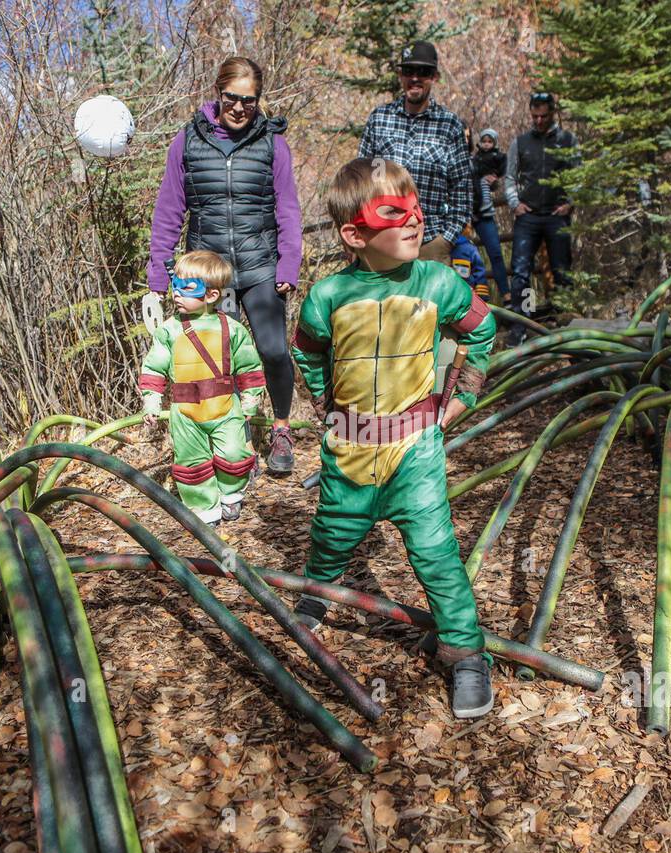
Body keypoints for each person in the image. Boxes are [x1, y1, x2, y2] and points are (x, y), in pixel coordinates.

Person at [290, 158, 497, 719]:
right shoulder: (327, 295)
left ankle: (466, 652)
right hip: (349, 447)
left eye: (416, 207)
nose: (413, 219)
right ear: (355, 233)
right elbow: (308, 351)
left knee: (436, 554)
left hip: (416, 452)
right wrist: (327, 410)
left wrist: (459, 402)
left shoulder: (439, 281)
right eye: (393, 210)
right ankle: (316, 596)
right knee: (333, 532)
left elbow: (482, 331)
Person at [147, 56, 303, 477]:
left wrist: (289, 263)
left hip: (260, 267)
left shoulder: (272, 143)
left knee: (271, 351)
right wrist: (159, 276)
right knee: (221, 362)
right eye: (232, 98)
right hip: (212, 274)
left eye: (249, 102)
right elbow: (169, 209)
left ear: (258, 101)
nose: (239, 108)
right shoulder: (188, 141)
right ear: (218, 93)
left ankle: (282, 429)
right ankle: (237, 440)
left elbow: (287, 207)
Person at [139, 251, 266, 528]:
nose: (177, 293)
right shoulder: (169, 331)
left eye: (187, 288)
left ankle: (231, 493)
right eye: (176, 285)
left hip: (224, 405)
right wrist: (151, 401)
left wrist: (249, 402)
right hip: (184, 411)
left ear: (210, 295)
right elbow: (154, 367)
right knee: (192, 461)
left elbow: (249, 366)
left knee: (234, 454)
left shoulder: (231, 328)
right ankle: (204, 510)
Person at [357, 41, 474, 267]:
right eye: (408, 71)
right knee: (383, 304)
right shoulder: (380, 119)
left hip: (430, 243)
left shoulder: (449, 126)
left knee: (431, 304)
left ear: (434, 77)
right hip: (383, 239)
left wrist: (446, 239)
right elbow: (361, 181)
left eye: (423, 72)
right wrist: (364, 231)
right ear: (400, 75)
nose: (415, 78)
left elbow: (462, 188)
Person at [504, 92, 579, 345]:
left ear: (552, 114)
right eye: (534, 116)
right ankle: (520, 324)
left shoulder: (568, 140)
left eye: (543, 116)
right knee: (521, 269)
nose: (538, 121)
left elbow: (578, 174)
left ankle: (565, 320)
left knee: (562, 269)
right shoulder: (521, 142)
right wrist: (515, 203)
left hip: (557, 215)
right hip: (529, 215)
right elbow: (510, 176)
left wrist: (570, 203)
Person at [471, 129, 509, 300]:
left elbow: (499, 175)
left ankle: (506, 295)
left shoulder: (494, 158)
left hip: (484, 212)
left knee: (495, 253)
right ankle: (474, 300)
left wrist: (495, 181)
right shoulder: (472, 160)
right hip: (465, 213)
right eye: (484, 141)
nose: (486, 144)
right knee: (465, 256)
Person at [451, 224, 489, 299]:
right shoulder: (471, 249)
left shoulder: (445, 248)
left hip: (452, 293)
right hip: (469, 294)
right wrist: (482, 296)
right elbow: (480, 272)